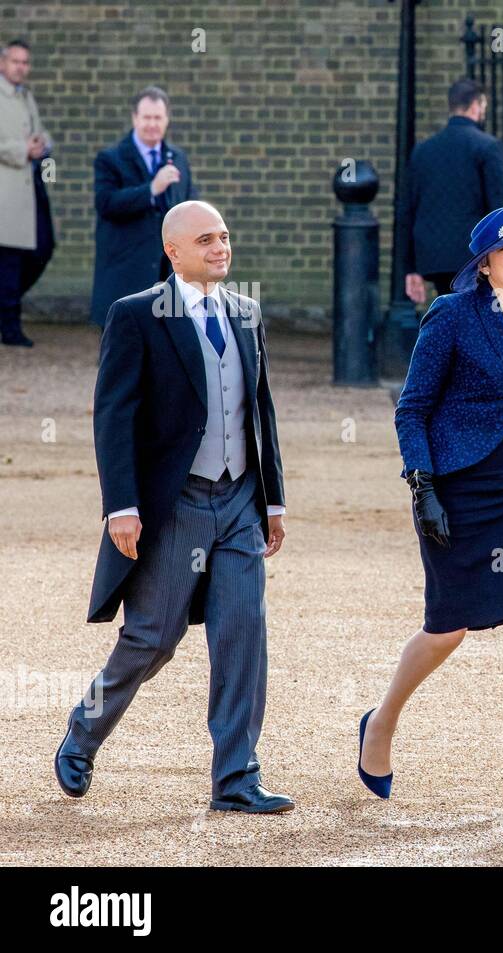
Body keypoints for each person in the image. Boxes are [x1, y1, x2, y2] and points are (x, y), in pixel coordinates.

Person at [58, 201, 293, 813]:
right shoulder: (136, 315)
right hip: (176, 502)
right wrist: (122, 506)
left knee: (243, 634)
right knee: (152, 637)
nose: (221, 248)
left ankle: (236, 779)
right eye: (206, 239)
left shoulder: (246, 314)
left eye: (225, 236)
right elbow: (114, 416)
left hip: (240, 499)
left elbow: (259, 411)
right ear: (174, 252)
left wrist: (274, 500)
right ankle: (83, 732)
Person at [361, 200, 503, 811]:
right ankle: (381, 721)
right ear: (485, 265)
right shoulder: (451, 315)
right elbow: (413, 407)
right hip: (453, 484)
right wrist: (421, 486)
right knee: (446, 629)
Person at [90, 86, 199, 328]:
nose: (152, 124)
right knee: (123, 354)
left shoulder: (177, 158)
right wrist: (151, 189)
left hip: (169, 271)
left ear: (167, 119)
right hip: (127, 271)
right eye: (146, 117)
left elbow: (190, 203)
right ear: (134, 118)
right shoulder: (111, 158)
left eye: (158, 118)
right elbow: (106, 203)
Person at [402, 78, 503, 304]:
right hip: (476, 258)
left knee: (452, 318)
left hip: (434, 259)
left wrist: (410, 268)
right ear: (476, 105)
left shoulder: (423, 150)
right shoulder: (488, 146)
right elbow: (502, 209)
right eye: (483, 105)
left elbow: (406, 210)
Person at [0, 39, 55, 348]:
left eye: (25, 62)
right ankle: (9, 328)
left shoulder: (26, 96)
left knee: (42, 249)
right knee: (9, 259)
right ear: (2, 63)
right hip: (6, 192)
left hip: (31, 189)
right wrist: (23, 149)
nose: (21, 67)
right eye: (15, 61)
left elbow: (40, 131)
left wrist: (43, 144)